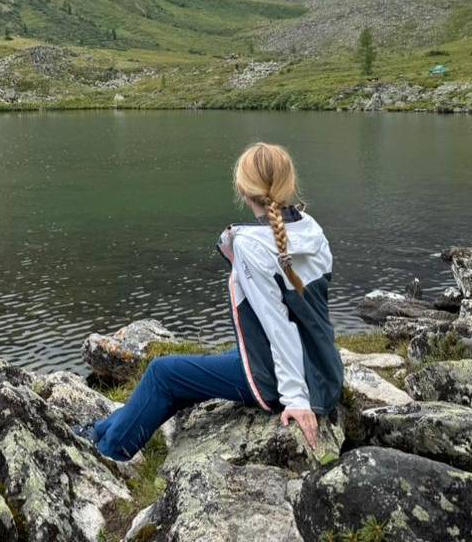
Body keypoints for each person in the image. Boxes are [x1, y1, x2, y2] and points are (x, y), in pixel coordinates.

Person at [76, 142, 344, 461]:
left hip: (282, 377)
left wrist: (296, 399)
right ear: (288, 183)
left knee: (164, 373)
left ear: (243, 190)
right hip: (323, 367)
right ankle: (101, 430)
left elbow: (278, 326)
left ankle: (107, 455)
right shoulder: (310, 228)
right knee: (189, 373)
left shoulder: (252, 246)